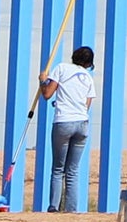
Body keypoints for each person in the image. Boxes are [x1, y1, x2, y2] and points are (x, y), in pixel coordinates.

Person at [39, 46, 96, 212]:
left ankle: (53, 207)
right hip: (82, 123)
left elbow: (47, 94)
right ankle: (71, 210)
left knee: (58, 168)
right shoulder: (88, 77)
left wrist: (43, 80)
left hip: (64, 121)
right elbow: (87, 105)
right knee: (72, 171)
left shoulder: (62, 68)